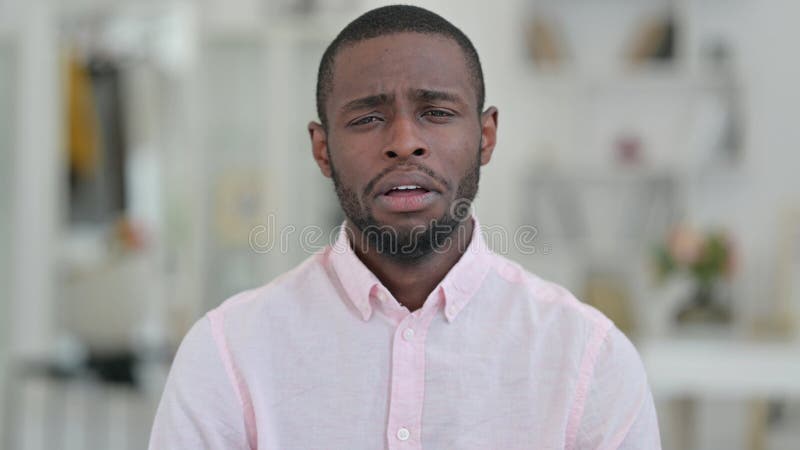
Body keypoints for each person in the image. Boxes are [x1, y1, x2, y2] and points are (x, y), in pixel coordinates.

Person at [149, 5, 661, 449]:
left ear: (485, 137)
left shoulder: (589, 359)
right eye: (368, 119)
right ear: (322, 149)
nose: (404, 142)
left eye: (436, 112)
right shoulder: (228, 353)